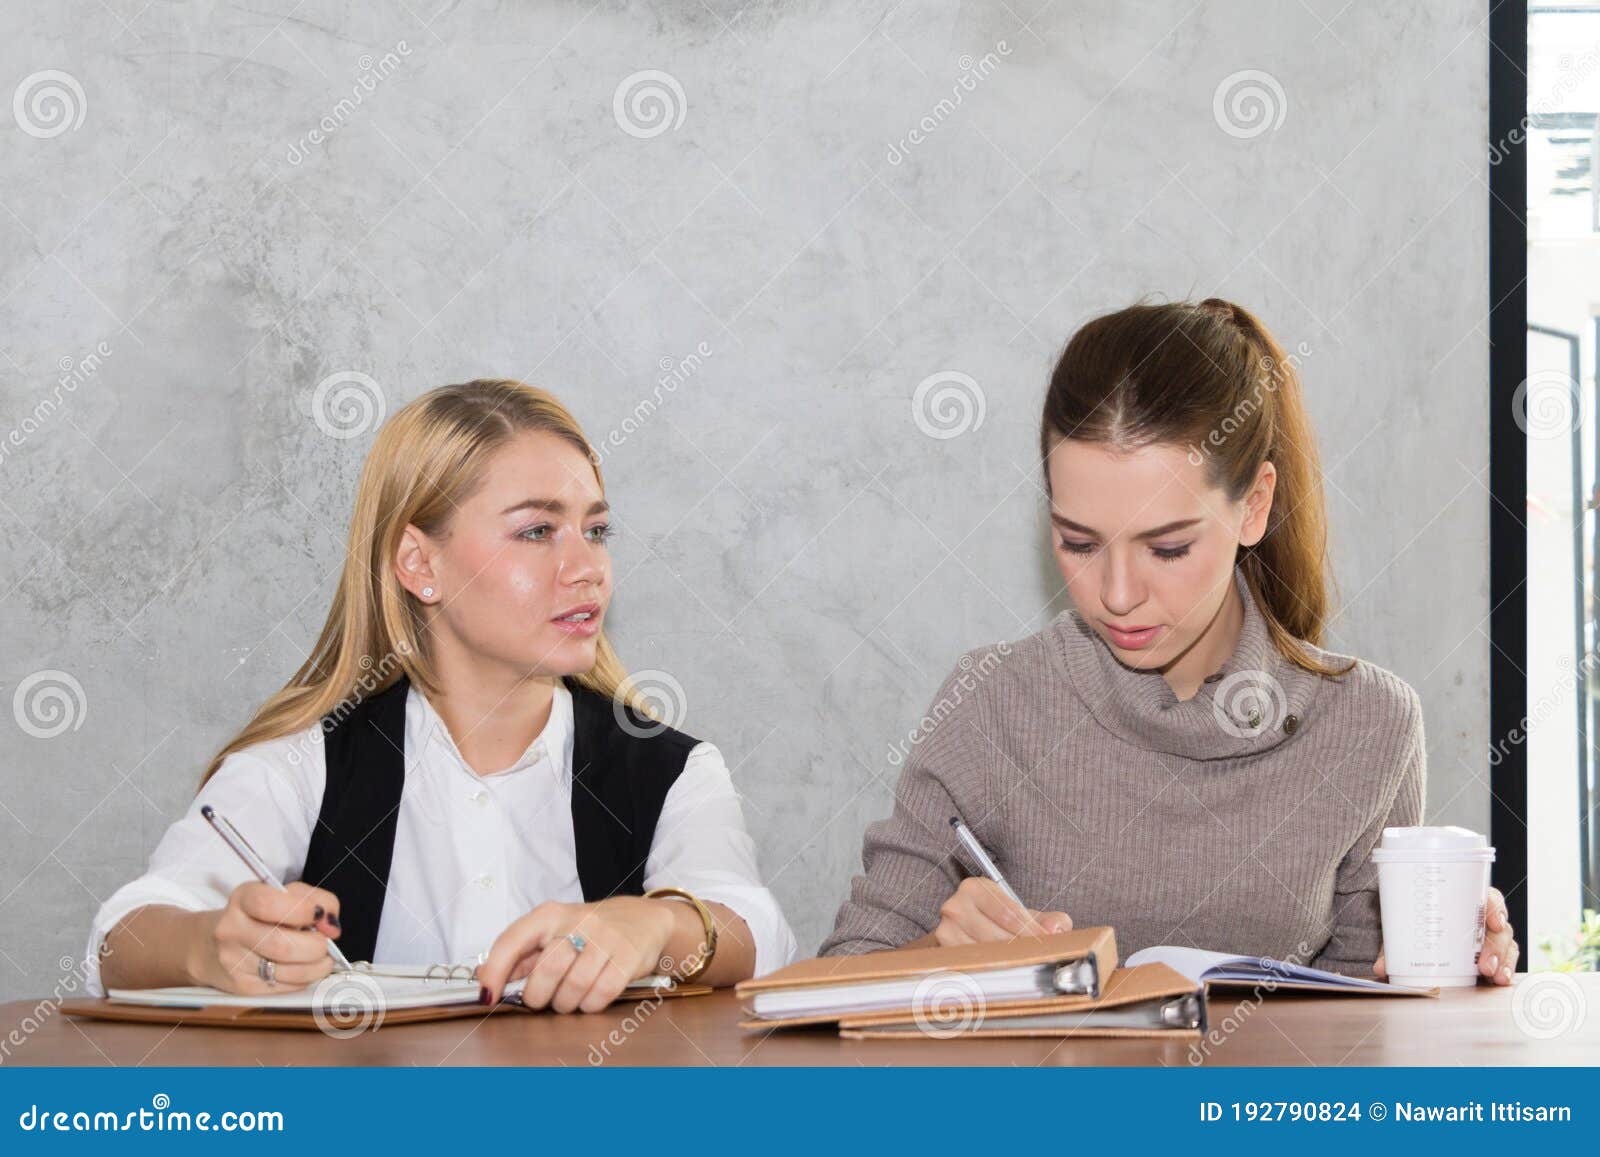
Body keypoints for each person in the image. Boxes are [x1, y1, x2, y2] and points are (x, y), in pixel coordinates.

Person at [821, 299, 1518, 985]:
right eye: (1078, 541)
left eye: (1168, 547)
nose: (1118, 593)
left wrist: (1450, 963)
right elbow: (836, 981)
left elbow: (1364, 1036)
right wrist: (934, 962)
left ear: (1255, 505)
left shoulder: (1369, 722)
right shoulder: (993, 702)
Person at [87, 379, 795, 1011]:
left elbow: (757, 929)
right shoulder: (310, 760)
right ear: (420, 563)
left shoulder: (668, 769)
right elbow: (125, 934)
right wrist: (207, 945)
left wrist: (657, 925)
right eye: (538, 530)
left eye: (596, 530)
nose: (588, 569)